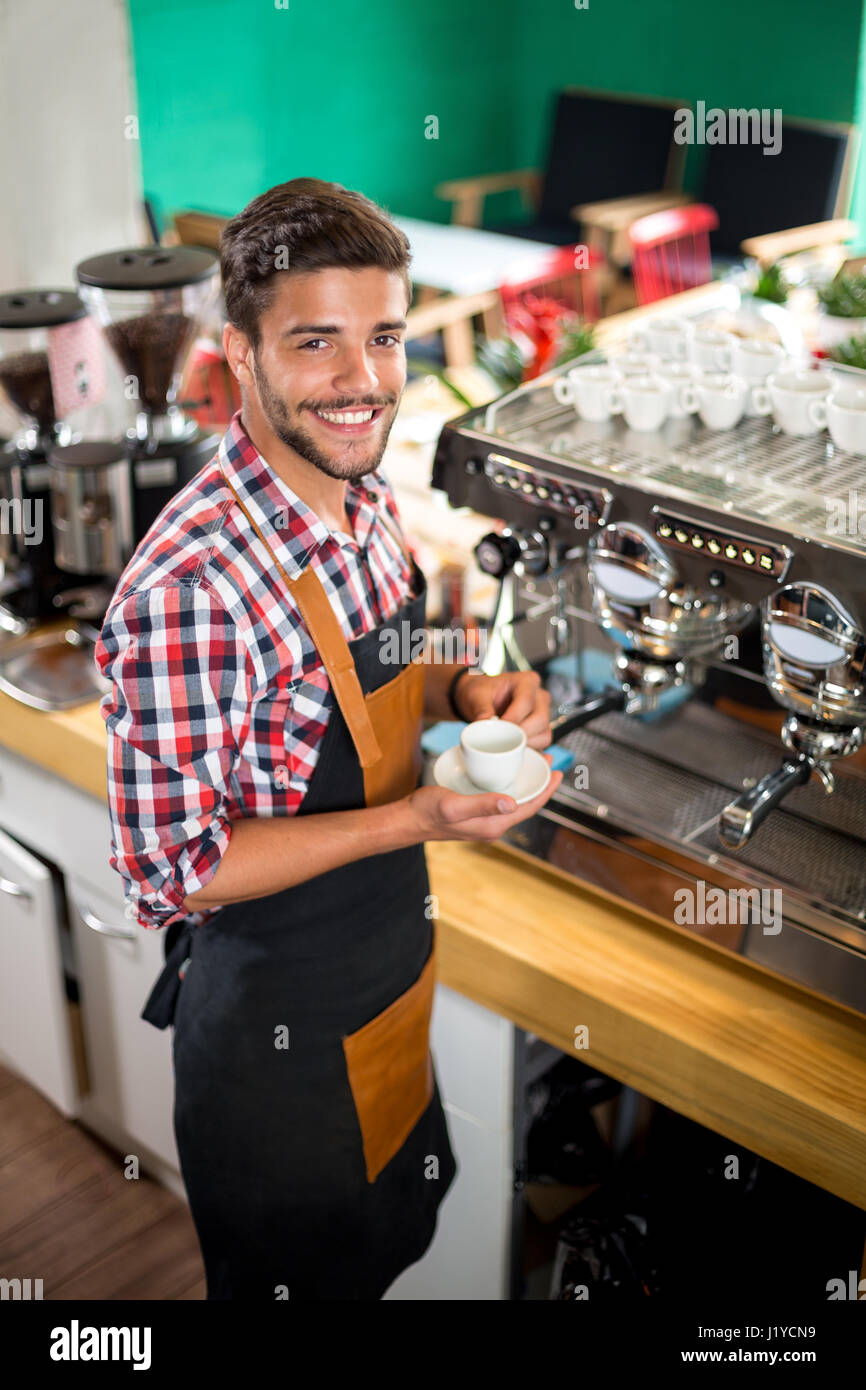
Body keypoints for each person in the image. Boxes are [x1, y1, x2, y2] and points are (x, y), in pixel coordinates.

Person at [94, 177, 562, 1300]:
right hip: (275, 1052)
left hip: (383, 1002)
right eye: (316, 343)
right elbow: (173, 869)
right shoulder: (193, 585)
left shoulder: (359, 494)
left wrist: (471, 689)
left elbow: (385, 663)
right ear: (241, 357)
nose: (363, 382)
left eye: (384, 338)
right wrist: (413, 818)